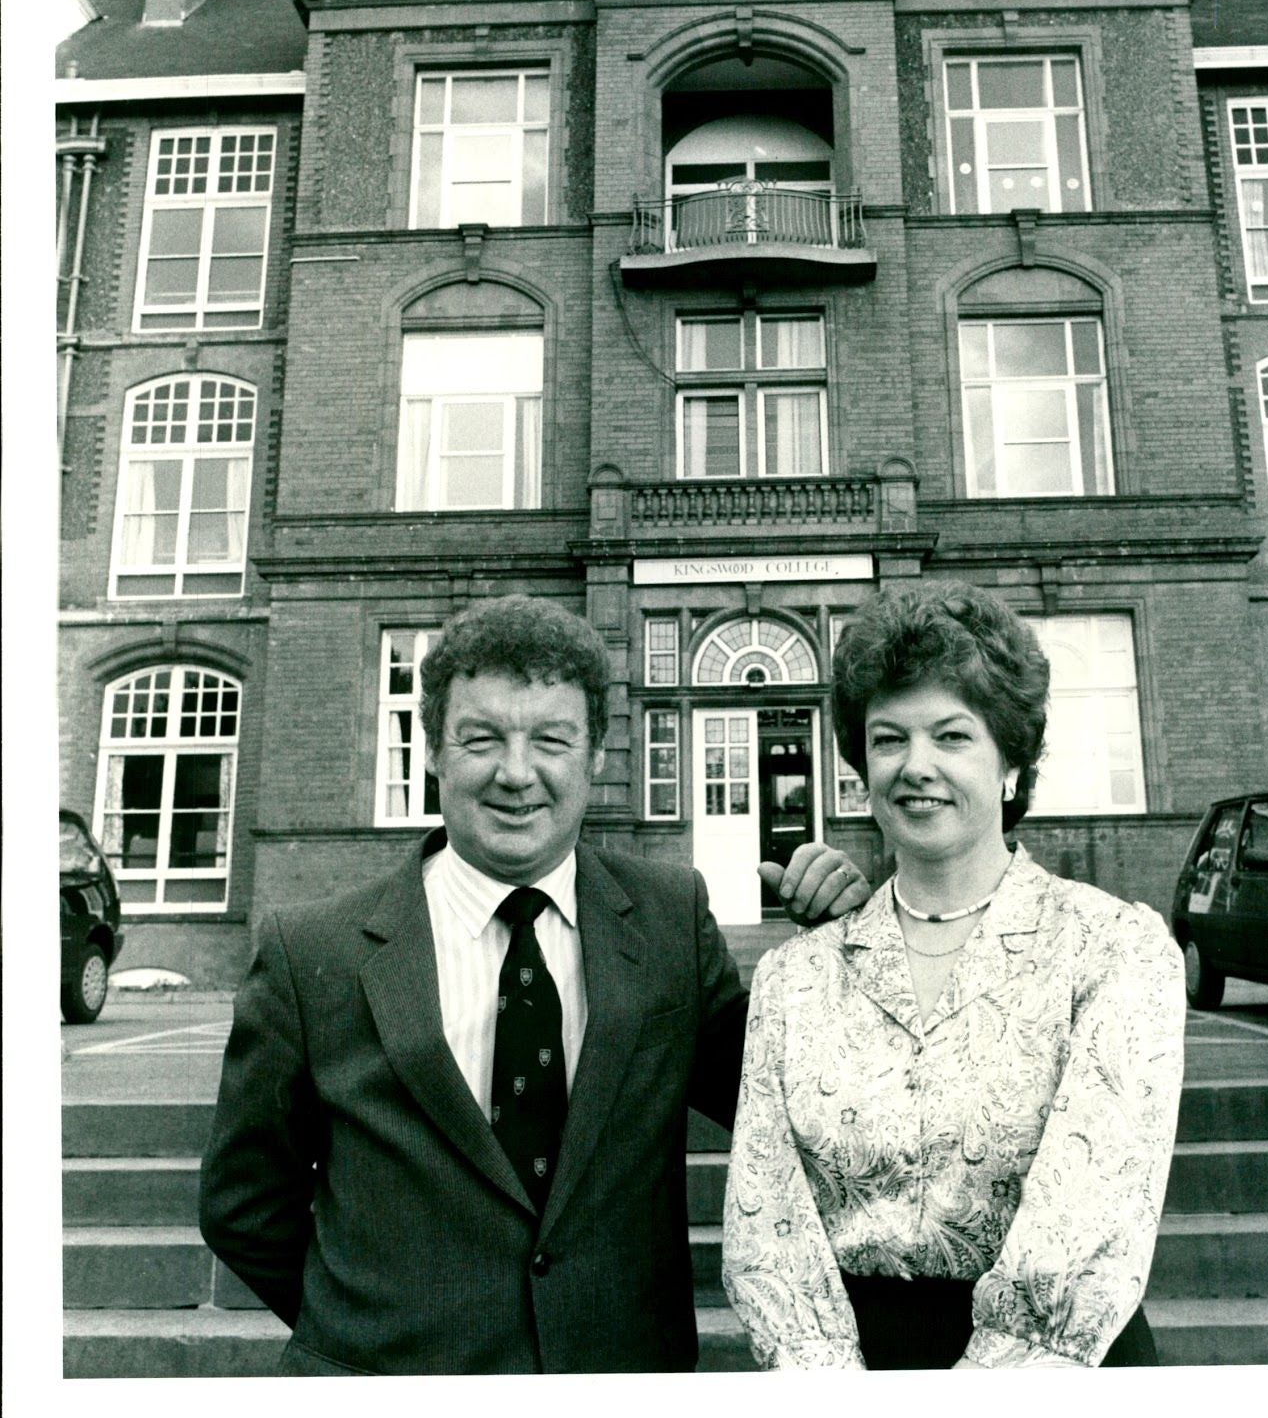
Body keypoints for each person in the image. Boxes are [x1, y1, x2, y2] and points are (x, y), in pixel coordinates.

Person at [199, 595, 870, 1375]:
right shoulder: (309, 952)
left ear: (594, 757)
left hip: (616, 1398)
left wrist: (841, 952)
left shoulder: (668, 921)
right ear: (432, 752)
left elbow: (792, 1109)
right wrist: (362, 1323)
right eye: (482, 739)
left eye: (550, 740)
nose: (516, 774)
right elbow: (243, 1205)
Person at [721, 582, 1186, 1370]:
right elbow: (767, 1228)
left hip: (1058, 1380)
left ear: (1011, 761)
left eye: (952, 736)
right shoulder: (793, 978)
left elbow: (1092, 1216)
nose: (916, 766)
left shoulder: (1114, 951)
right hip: (845, 1386)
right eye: (889, 739)